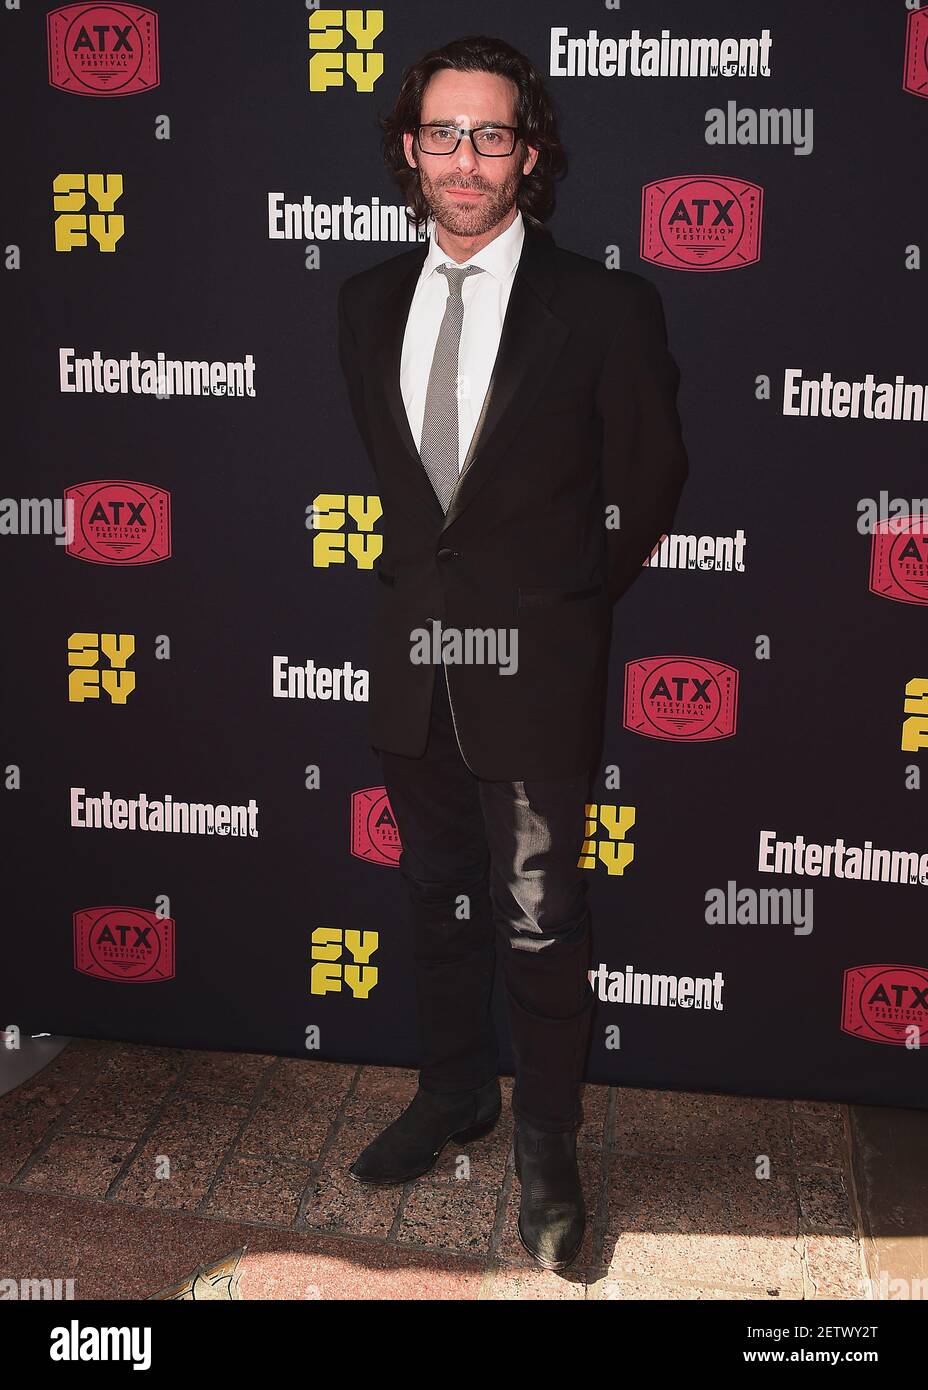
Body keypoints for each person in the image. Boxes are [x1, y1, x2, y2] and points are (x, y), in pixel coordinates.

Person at [335, 33, 689, 1272]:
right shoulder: (364, 300)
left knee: (541, 925)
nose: (465, 158)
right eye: (442, 133)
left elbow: (646, 482)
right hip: (409, 663)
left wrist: (563, 609)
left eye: (492, 134)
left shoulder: (602, 305)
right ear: (407, 149)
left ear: (528, 154)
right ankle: (452, 1096)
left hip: (534, 675)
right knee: (434, 904)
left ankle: (548, 1146)